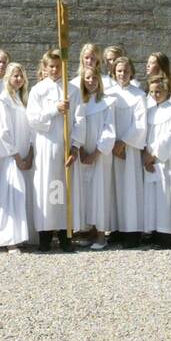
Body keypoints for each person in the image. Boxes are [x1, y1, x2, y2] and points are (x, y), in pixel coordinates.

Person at [26, 49, 73, 251]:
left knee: (63, 192)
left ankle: (65, 236)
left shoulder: (72, 90)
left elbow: (80, 120)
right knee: (47, 191)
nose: (54, 70)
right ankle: (45, 236)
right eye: (51, 66)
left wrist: (76, 147)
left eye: (58, 66)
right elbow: (33, 119)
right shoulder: (38, 90)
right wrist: (55, 109)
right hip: (46, 147)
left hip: (65, 147)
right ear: (44, 68)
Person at [71, 59, 116, 249]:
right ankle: (88, 230)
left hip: (99, 155)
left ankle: (100, 235)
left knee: (100, 192)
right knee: (86, 193)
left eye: (94, 78)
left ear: (99, 80)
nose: (91, 81)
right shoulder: (79, 101)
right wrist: (79, 147)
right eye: (87, 78)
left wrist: (95, 153)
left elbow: (109, 130)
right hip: (82, 153)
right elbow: (75, 125)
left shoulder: (107, 102)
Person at [0, 62, 33, 253]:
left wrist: (29, 153)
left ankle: (22, 236)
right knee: (10, 196)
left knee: (21, 195)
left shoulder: (21, 100)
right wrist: (17, 156)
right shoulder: (2, 100)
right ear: (8, 77)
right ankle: (10, 240)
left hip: (23, 154)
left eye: (21, 75)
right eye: (15, 75)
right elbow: (3, 131)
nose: (18, 79)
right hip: (10, 156)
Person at [107, 55, 148, 246]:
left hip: (129, 149)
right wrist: (112, 143)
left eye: (126, 70)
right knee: (113, 190)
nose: (122, 74)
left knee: (130, 190)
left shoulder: (139, 95)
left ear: (132, 71)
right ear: (114, 73)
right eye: (119, 71)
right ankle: (116, 229)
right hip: (112, 148)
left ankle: (132, 232)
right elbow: (105, 120)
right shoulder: (108, 94)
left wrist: (123, 143)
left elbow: (140, 124)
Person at [142, 75, 171, 246]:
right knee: (153, 197)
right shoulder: (150, 111)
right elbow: (145, 134)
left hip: (165, 161)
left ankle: (166, 235)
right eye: (152, 92)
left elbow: (170, 136)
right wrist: (146, 155)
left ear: (166, 91)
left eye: (158, 91)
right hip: (150, 161)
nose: (155, 95)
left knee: (166, 196)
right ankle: (153, 231)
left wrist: (153, 155)